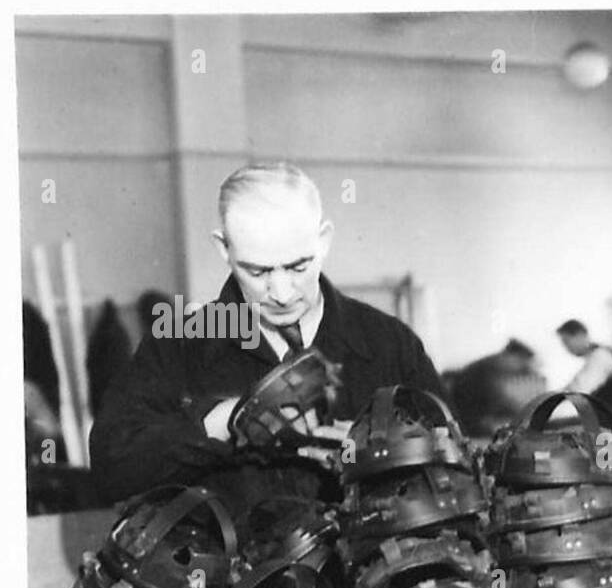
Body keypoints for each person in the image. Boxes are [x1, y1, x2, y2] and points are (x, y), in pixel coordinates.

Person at [90, 162, 446, 513]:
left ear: (323, 241)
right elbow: (111, 468)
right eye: (257, 271)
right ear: (224, 250)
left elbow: (454, 467)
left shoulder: (389, 343)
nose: (281, 292)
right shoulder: (179, 343)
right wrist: (220, 422)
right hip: (232, 569)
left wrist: (384, 453)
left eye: (297, 266)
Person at [555, 319, 612, 425]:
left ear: (580, 335)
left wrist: (553, 402)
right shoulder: (598, 356)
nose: (566, 348)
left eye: (566, 342)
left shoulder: (600, 357)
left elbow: (580, 387)